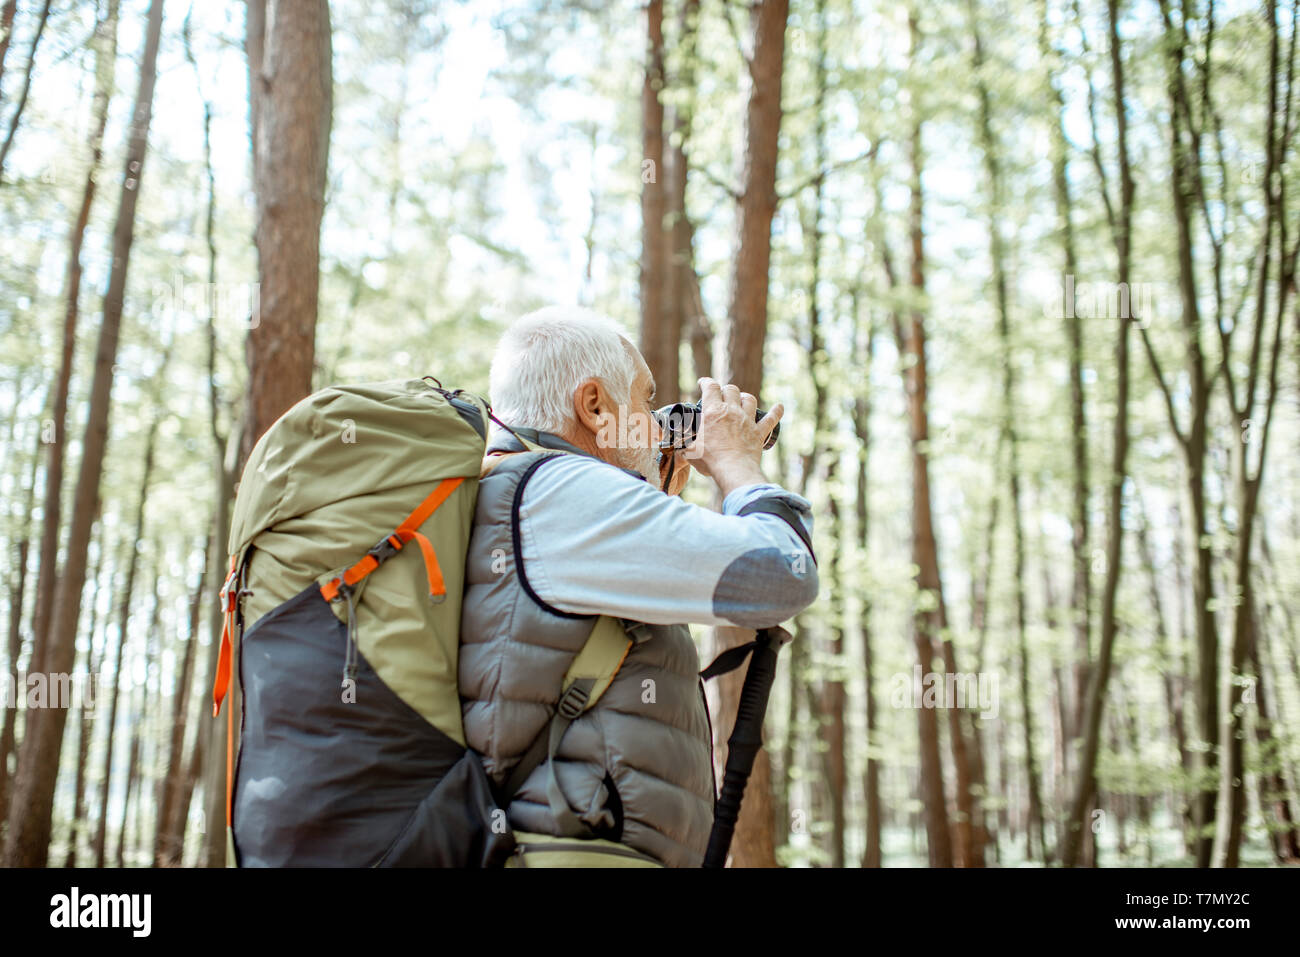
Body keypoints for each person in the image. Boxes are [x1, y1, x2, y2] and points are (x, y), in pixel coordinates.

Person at [459, 306, 819, 867]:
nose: (657, 425)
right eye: (646, 401)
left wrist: (653, 493)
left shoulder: (505, 487)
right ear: (595, 405)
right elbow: (782, 573)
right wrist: (738, 466)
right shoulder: (562, 491)